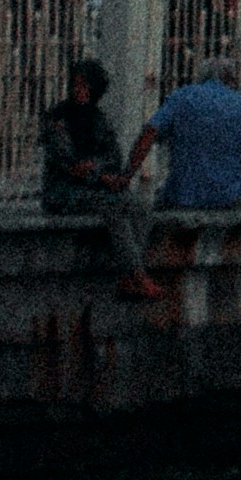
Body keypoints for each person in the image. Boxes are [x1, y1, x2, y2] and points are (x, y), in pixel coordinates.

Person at [39, 53, 161, 298]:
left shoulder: (97, 119)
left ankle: (130, 275)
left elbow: (113, 156)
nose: (79, 91)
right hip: (63, 191)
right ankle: (138, 276)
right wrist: (101, 175)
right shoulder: (58, 118)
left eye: (85, 86)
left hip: (95, 187)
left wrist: (111, 175)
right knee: (112, 209)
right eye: (76, 85)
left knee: (140, 207)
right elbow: (68, 163)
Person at [129, 64, 241, 226]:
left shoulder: (181, 97)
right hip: (228, 198)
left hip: (181, 196)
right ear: (231, 80)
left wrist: (126, 175)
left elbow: (149, 134)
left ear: (201, 78)